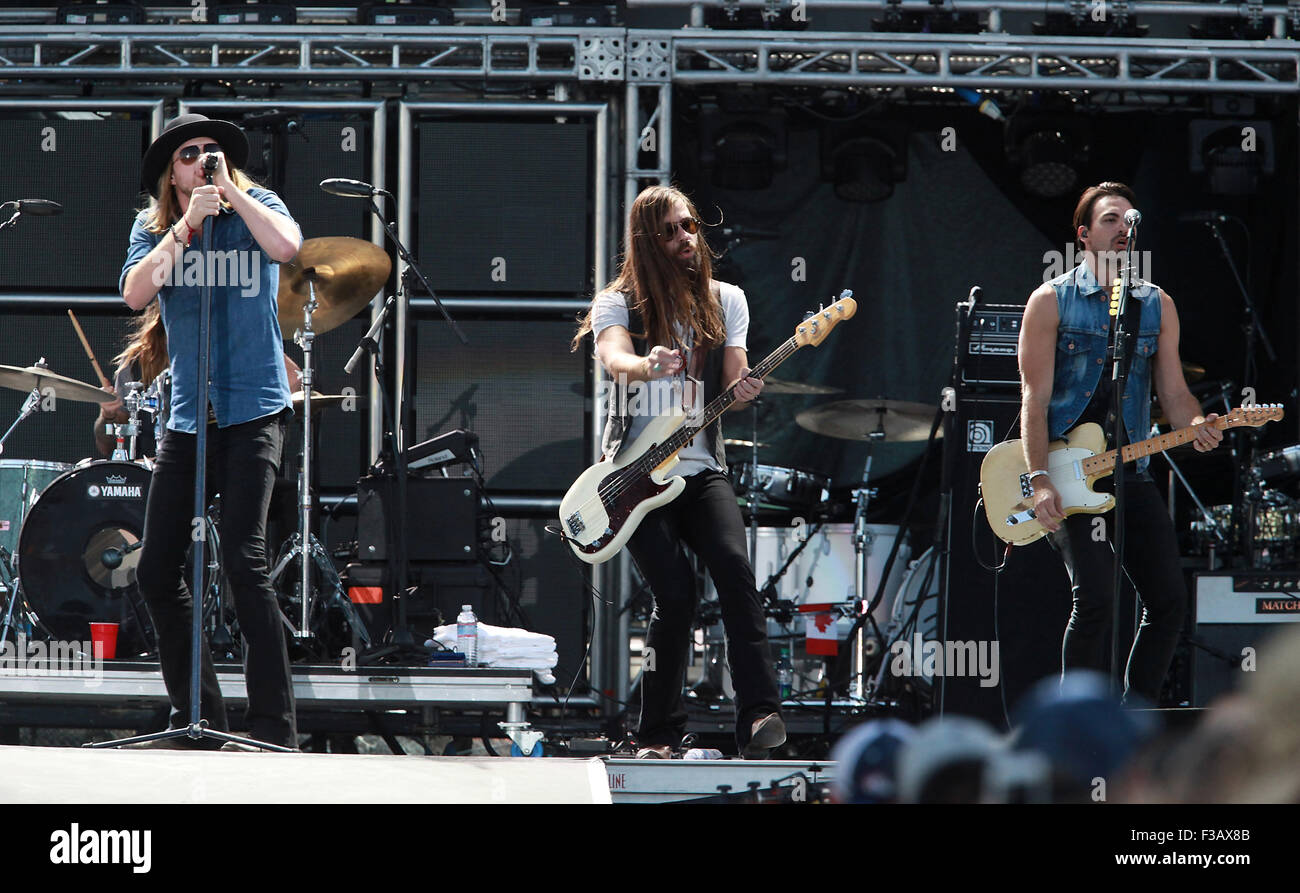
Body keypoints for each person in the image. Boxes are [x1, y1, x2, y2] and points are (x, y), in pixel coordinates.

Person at [572, 185, 785, 758]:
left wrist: (745, 389)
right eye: (668, 232)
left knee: (736, 571)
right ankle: (658, 735)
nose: (683, 239)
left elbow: (735, 373)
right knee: (676, 593)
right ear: (648, 241)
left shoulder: (727, 299)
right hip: (633, 476)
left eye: (688, 226)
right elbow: (613, 355)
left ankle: (760, 713)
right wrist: (647, 364)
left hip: (699, 465)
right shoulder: (618, 303)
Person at [119, 113, 302, 750]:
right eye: (190, 155)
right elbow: (137, 294)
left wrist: (236, 196)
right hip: (189, 419)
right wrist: (186, 225)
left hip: (253, 411)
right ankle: (198, 716)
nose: (203, 161)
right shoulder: (155, 230)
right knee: (156, 570)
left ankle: (274, 727)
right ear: (171, 174)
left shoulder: (261, 205)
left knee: (245, 564)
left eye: (212, 152)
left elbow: (286, 249)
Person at [1018, 181, 1223, 704]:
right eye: (1110, 219)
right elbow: (1034, 400)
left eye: (1130, 220)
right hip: (1068, 471)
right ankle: (1077, 728)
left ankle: (1135, 722)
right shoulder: (1050, 301)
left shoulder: (1156, 305)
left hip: (1131, 469)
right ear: (1084, 236)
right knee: (1097, 602)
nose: (1122, 229)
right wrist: (1039, 479)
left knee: (1170, 601)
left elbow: (1174, 392)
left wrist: (1198, 425)